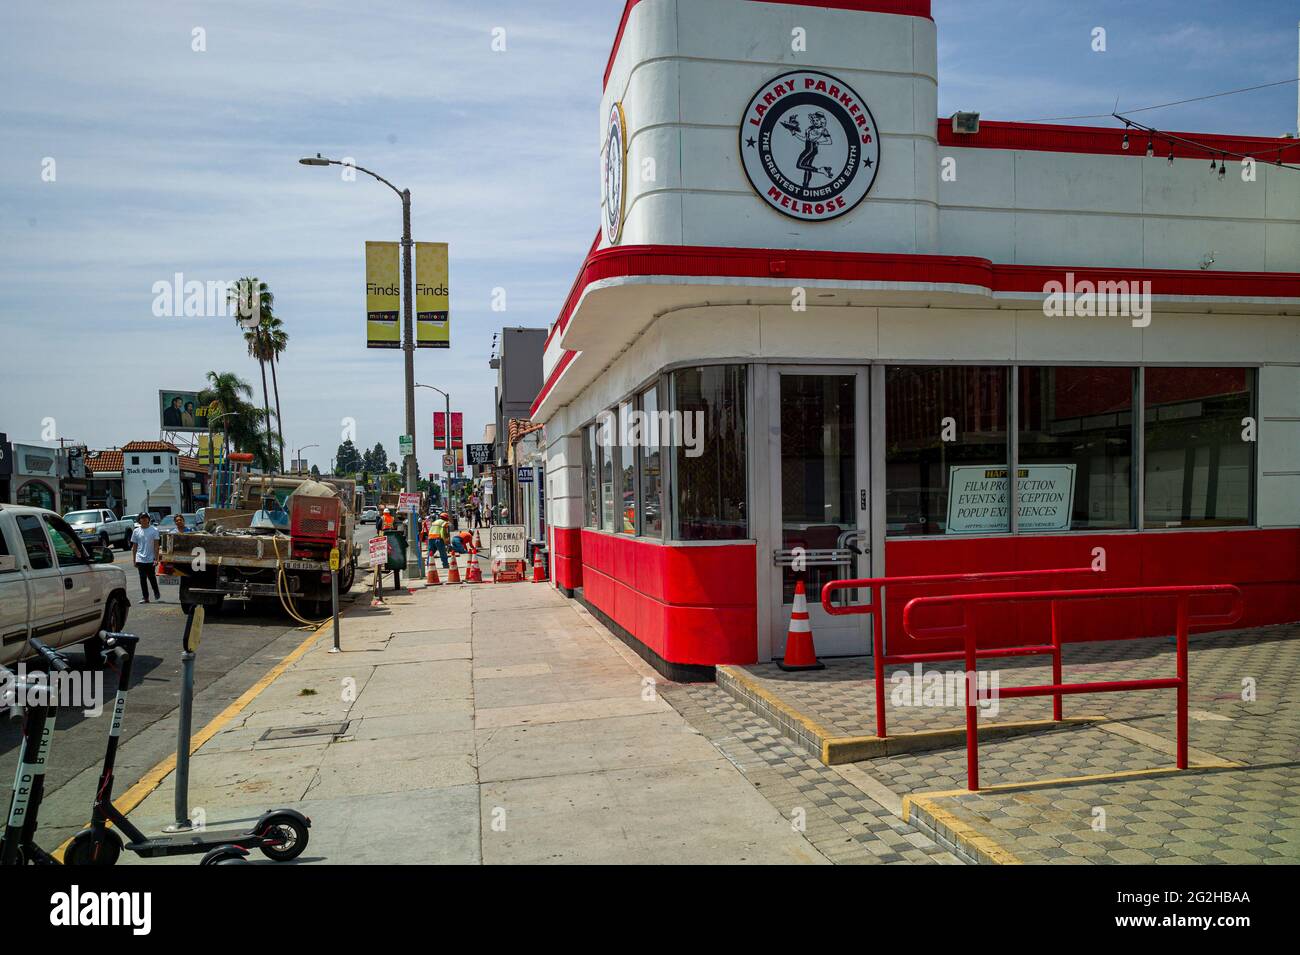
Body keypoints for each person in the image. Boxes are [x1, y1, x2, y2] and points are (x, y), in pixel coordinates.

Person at [131, 513, 161, 603]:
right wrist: (134, 560)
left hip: (150, 558)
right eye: (142, 518)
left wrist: (156, 558)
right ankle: (145, 597)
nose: (144, 520)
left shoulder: (154, 530)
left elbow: (156, 545)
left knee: (151, 577)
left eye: (145, 518)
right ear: (139, 520)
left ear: (148, 519)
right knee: (142, 578)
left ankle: (156, 591)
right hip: (140, 558)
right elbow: (134, 547)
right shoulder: (136, 531)